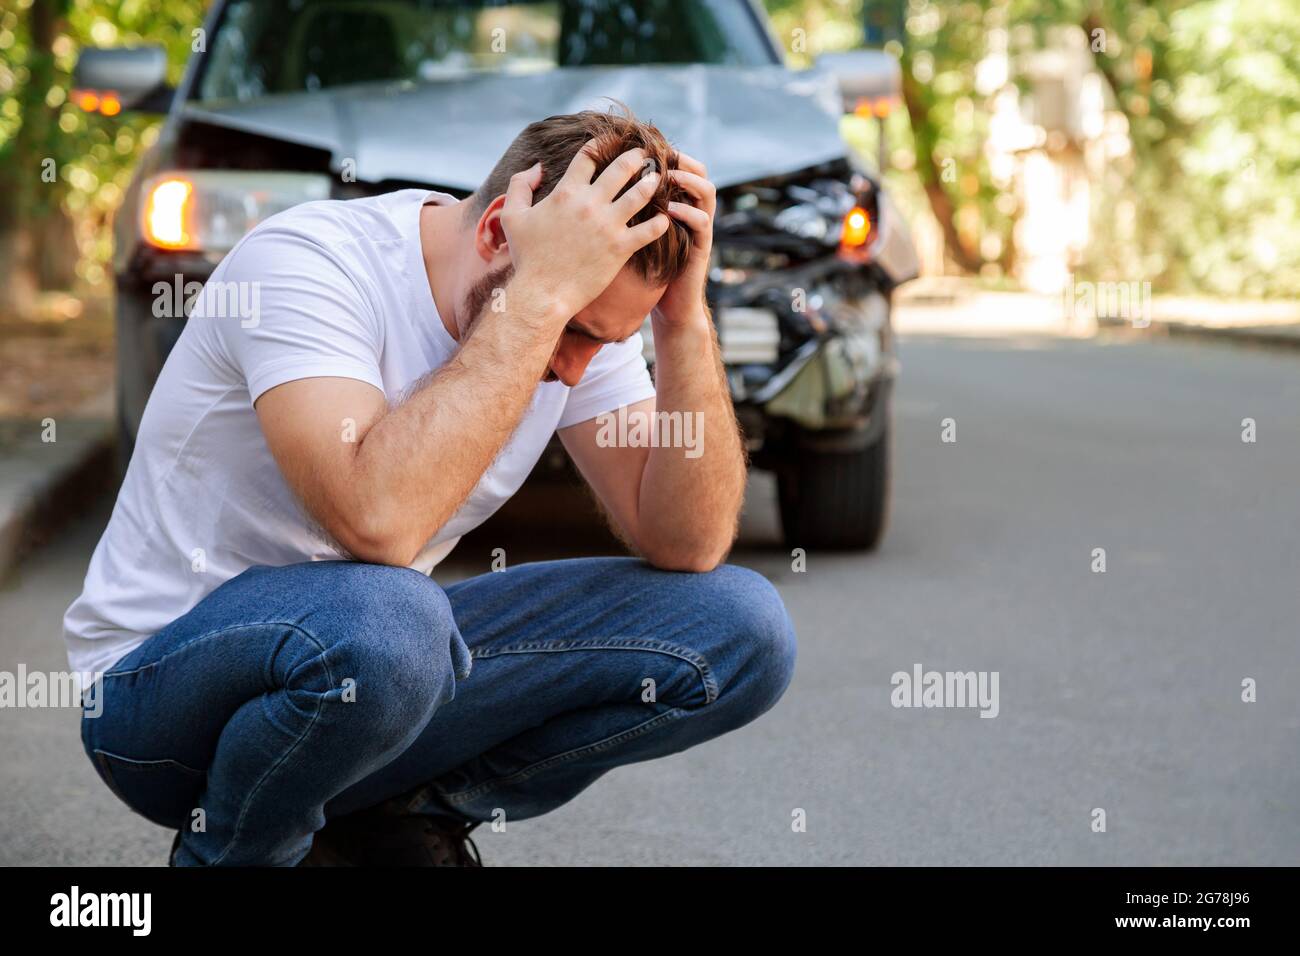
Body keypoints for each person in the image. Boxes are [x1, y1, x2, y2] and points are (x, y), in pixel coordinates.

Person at [66, 106, 797, 866]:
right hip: (158, 698)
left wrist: (684, 321)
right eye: (574, 332)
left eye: (603, 339)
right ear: (495, 235)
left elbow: (687, 541)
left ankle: (395, 820)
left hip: (367, 670)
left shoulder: (577, 304)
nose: (577, 367)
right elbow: (377, 522)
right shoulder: (308, 264)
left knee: (739, 626)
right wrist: (540, 301)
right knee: (394, 623)